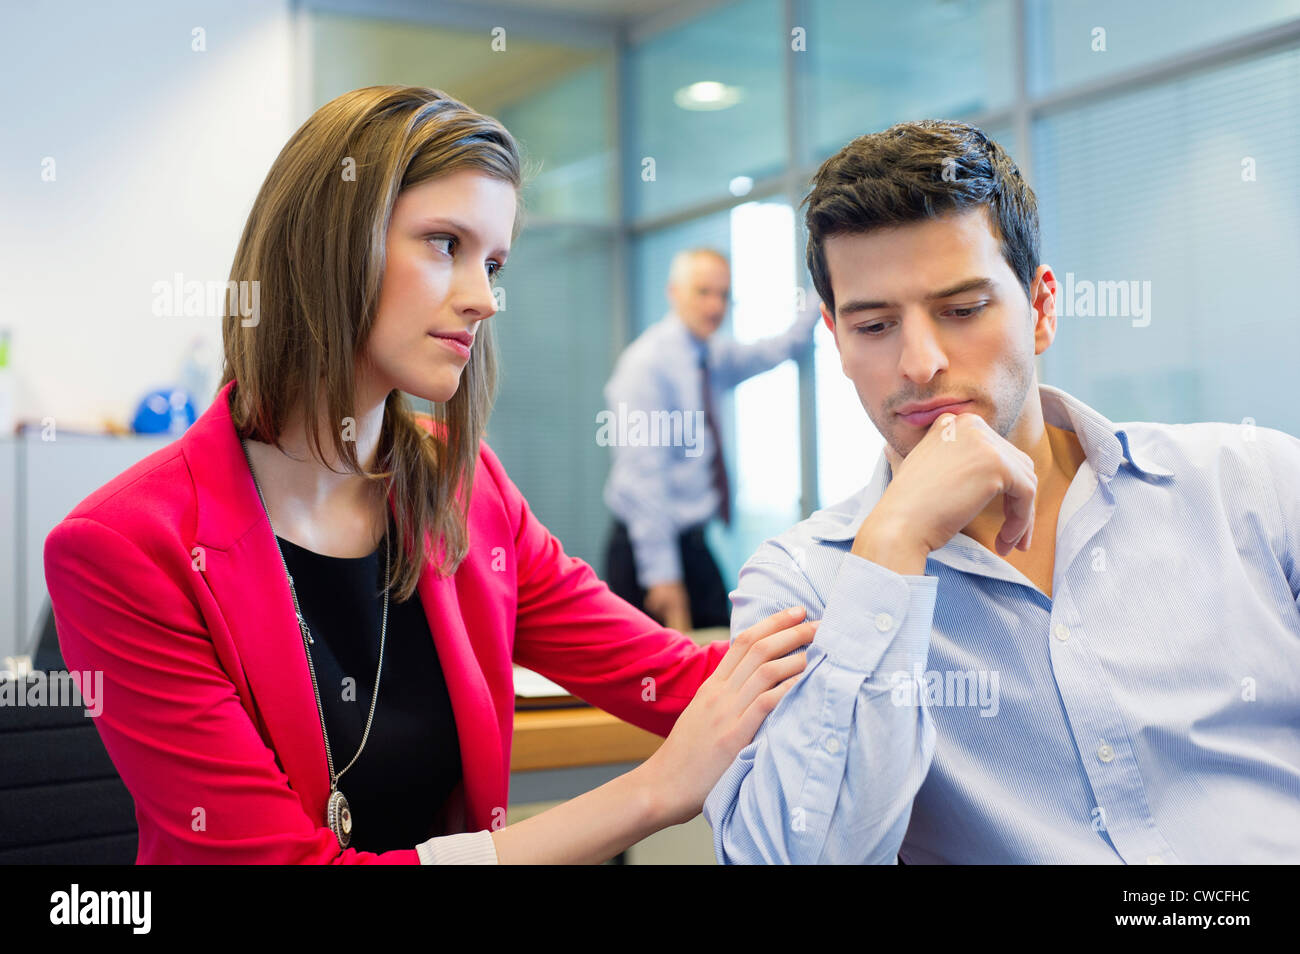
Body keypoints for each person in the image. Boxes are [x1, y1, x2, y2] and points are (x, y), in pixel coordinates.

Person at [43, 85, 813, 865]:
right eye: (445, 243)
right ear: (327, 242)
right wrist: (652, 794)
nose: (484, 299)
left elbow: (674, 677)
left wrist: (890, 574)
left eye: (494, 262)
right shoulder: (123, 548)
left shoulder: (465, 489)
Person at [704, 119, 1300, 864]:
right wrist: (888, 553)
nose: (919, 364)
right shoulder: (804, 586)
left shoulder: (1253, 485)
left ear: (1042, 308)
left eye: (962, 311)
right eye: (876, 325)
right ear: (836, 341)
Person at [602, 248, 819, 633]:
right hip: (647, 548)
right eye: (703, 292)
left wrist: (821, 292)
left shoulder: (710, 355)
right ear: (674, 292)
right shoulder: (647, 365)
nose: (715, 305)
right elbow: (642, 481)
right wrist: (662, 577)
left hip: (692, 543)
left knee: (721, 648)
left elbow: (774, 351)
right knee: (661, 677)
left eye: (723, 294)